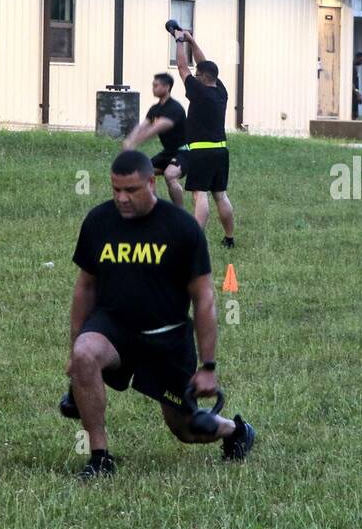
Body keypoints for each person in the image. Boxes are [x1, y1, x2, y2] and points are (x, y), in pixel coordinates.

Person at [60, 150, 255, 477]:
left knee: (186, 428)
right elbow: (85, 288)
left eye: (131, 190)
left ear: (151, 182)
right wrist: (74, 349)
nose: (122, 198)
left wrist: (208, 367)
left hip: (167, 337)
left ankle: (235, 431)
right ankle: (100, 457)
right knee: (85, 354)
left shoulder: (181, 228)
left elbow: (204, 299)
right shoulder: (98, 221)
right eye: (115, 189)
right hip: (113, 328)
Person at [171, 27, 236, 246]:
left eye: (197, 75)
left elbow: (182, 67)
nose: (194, 75)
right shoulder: (221, 91)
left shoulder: (198, 91)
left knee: (200, 194)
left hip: (201, 151)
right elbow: (203, 64)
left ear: (201, 78)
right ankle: (229, 238)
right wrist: (192, 40)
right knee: (221, 195)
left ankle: (194, 241)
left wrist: (179, 41)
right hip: (221, 150)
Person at [123, 72, 187, 207]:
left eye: (156, 85)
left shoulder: (174, 108)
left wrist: (134, 143)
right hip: (168, 152)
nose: (153, 88)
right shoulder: (155, 109)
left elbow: (156, 129)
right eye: (153, 85)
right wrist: (128, 140)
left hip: (184, 151)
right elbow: (142, 126)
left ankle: (180, 213)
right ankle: (157, 208)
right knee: (143, 173)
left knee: (170, 175)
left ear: (167, 87)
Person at [351, 52, 362, 121]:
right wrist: (357, 93)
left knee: (355, 113)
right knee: (354, 113)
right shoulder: (352, 68)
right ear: (356, 58)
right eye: (361, 60)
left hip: (354, 93)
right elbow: (351, 82)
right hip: (352, 94)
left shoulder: (355, 68)